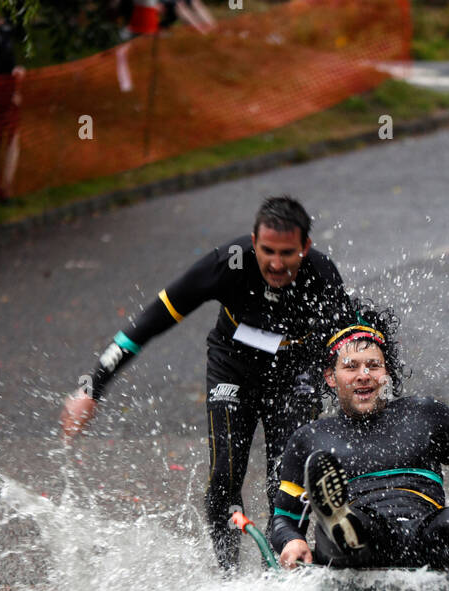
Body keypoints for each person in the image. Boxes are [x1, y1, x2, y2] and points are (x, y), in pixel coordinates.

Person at [60, 195, 352, 569]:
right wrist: (92, 387)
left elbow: (349, 345)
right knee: (224, 480)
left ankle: (280, 575)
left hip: (295, 374)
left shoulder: (322, 273)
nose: (276, 264)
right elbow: (152, 319)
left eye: (287, 253)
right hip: (233, 367)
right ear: (253, 240)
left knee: (287, 483)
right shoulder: (228, 262)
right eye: (266, 251)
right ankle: (229, 578)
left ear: (305, 247)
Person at [269, 313, 449, 572]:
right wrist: (293, 541)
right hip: (364, 535)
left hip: (430, 532)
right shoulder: (310, 438)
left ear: (387, 373)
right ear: (330, 376)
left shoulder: (427, 413)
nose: (364, 375)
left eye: (373, 366)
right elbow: (286, 517)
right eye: (351, 366)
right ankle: (342, 524)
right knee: (345, 526)